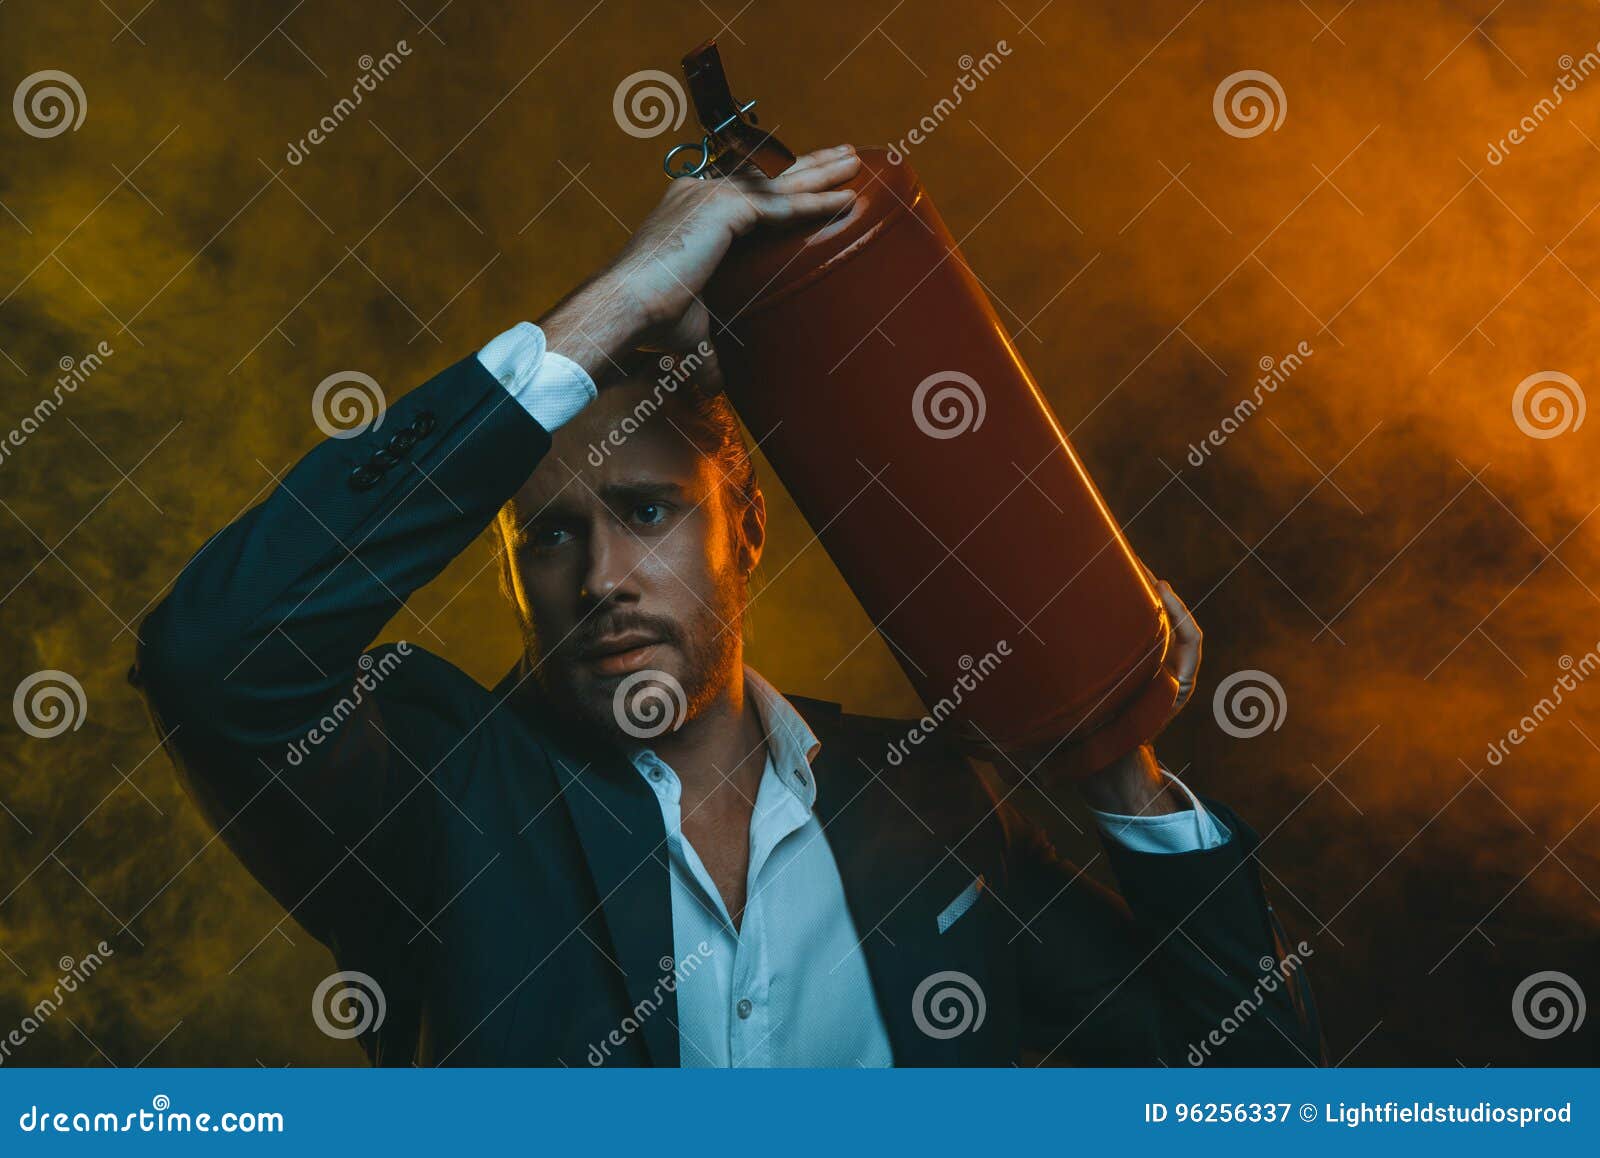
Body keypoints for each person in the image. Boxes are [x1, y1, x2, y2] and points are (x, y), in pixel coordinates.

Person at [134, 144, 1322, 1067]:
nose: (600, 578)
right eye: (547, 535)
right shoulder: (440, 796)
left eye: (647, 512)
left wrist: (1120, 768)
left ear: (742, 523)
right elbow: (213, 655)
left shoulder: (924, 796)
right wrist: (611, 312)